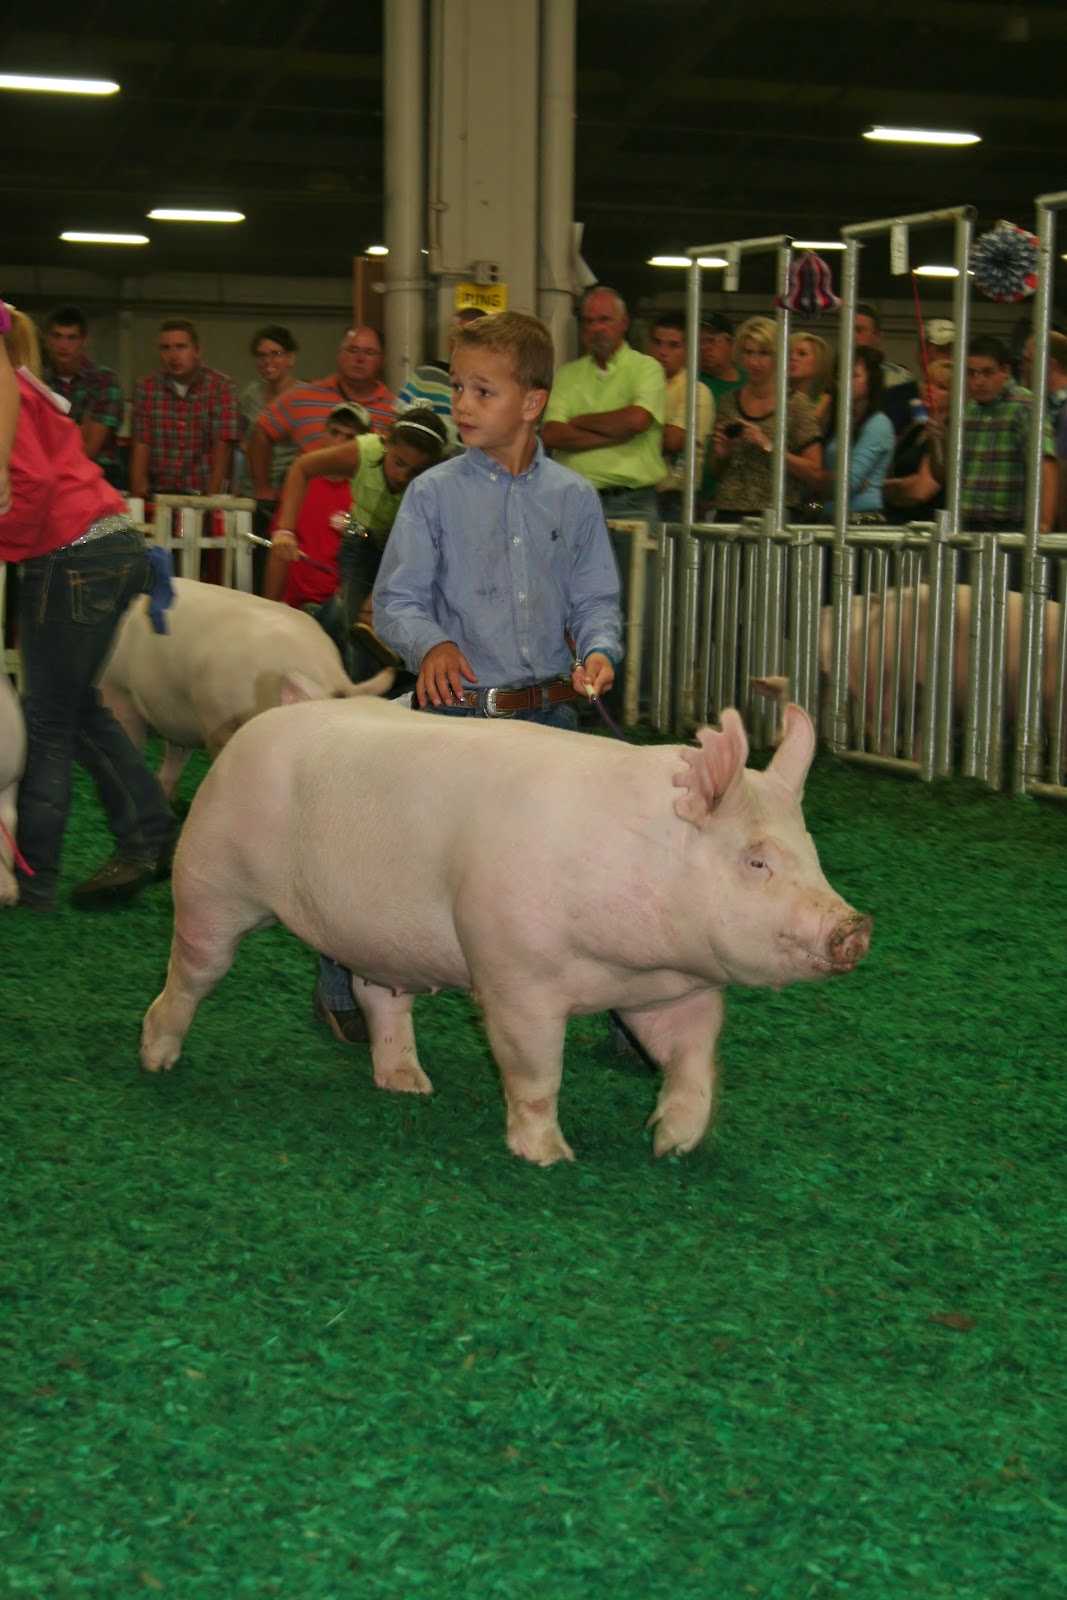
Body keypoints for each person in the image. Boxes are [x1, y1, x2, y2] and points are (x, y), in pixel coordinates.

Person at [0, 303, 175, 912]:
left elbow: (30, 487)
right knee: (74, 711)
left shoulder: (7, 398)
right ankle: (148, 832)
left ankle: (36, 882)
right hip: (107, 542)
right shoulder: (23, 383)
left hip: (68, 554)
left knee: (47, 718)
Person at [269, 406, 448, 682]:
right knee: (361, 639)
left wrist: (377, 597)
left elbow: (418, 547)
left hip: (411, 548)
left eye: (415, 471)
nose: (403, 477)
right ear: (386, 444)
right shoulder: (362, 452)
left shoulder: (440, 478)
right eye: (399, 463)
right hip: (361, 542)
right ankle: (363, 701)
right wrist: (285, 530)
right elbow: (302, 468)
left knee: (404, 630)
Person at [541, 286, 666, 529]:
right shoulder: (568, 374)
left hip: (632, 504)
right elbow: (552, 434)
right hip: (575, 503)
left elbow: (636, 421)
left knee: (635, 570)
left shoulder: (647, 369)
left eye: (604, 320)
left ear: (624, 322)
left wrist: (577, 421)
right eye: (589, 322)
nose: (596, 328)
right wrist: (619, 435)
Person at [262, 403, 368, 658]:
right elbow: (279, 546)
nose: (339, 441)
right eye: (334, 432)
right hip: (294, 610)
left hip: (335, 611)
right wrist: (269, 608)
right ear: (324, 433)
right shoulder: (301, 483)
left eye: (350, 437)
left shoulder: (363, 495)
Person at [246, 327, 396, 501]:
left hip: (368, 512)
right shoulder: (302, 397)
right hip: (306, 508)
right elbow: (261, 431)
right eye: (353, 350)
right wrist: (263, 488)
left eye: (369, 352)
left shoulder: (395, 411)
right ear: (339, 355)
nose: (359, 359)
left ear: (382, 360)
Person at [960, 334, 1057, 584]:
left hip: (1009, 531)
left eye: (987, 372)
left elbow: (1046, 463)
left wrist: (1043, 523)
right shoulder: (968, 410)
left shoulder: (1025, 405)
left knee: (1005, 610)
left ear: (1005, 371)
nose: (978, 381)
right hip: (969, 528)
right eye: (971, 373)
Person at [709, 316, 822, 519]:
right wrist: (722, 454)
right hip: (728, 511)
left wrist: (768, 446)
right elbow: (716, 472)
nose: (754, 362)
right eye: (748, 352)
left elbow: (814, 472)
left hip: (776, 513)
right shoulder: (728, 402)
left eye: (764, 354)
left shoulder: (796, 405)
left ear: (779, 357)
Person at [128, 318, 242, 499]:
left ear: (197, 351)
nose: (173, 356)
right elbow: (140, 449)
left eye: (181, 347)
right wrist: (137, 502)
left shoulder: (221, 387)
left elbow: (223, 454)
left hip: (203, 494)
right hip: (159, 495)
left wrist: (211, 505)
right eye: (165, 348)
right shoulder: (146, 388)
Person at [41, 304, 125, 487]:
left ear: (84, 341)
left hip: (99, 472)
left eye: (72, 338)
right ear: (48, 339)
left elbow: (91, 448)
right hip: (48, 473)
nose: (64, 345)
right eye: (58, 336)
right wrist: (79, 429)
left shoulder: (104, 380)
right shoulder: (37, 381)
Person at [817, 347, 895, 521]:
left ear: (871, 381)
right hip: (828, 519)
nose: (843, 382)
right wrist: (824, 481)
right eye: (839, 376)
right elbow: (811, 497)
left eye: (853, 375)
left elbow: (845, 485)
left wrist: (817, 477)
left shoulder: (878, 423)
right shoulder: (838, 422)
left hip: (862, 522)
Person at [649, 310, 713, 522]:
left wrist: (627, 431)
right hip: (637, 492)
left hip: (676, 497)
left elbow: (672, 440)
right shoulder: (639, 385)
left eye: (673, 345)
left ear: (687, 350)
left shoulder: (697, 391)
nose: (662, 352)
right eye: (657, 343)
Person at [395, 306, 487, 450]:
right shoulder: (426, 376)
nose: (457, 345)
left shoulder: (493, 387)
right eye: (455, 339)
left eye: (470, 339)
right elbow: (397, 425)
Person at [883, 358, 952, 519]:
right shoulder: (915, 429)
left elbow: (919, 491)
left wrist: (875, 488)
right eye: (928, 382)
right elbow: (887, 470)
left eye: (941, 387)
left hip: (927, 524)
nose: (930, 389)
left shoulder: (949, 433)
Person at [696, 311, 743, 515]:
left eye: (712, 340)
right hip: (696, 494)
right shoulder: (691, 385)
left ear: (731, 345)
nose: (705, 348)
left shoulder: (749, 385)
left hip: (737, 496)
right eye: (700, 342)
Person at [854, 302, 921, 435]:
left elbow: (908, 426)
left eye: (859, 330)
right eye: (846, 330)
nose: (851, 336)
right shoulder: (830, 376)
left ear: (878, 337)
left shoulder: (901, 380)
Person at [788, 332, 834, 432]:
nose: (792, 358)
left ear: (820, 361)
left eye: (802, 354)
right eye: (788, 353)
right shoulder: (774, 398)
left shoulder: (827, 403)